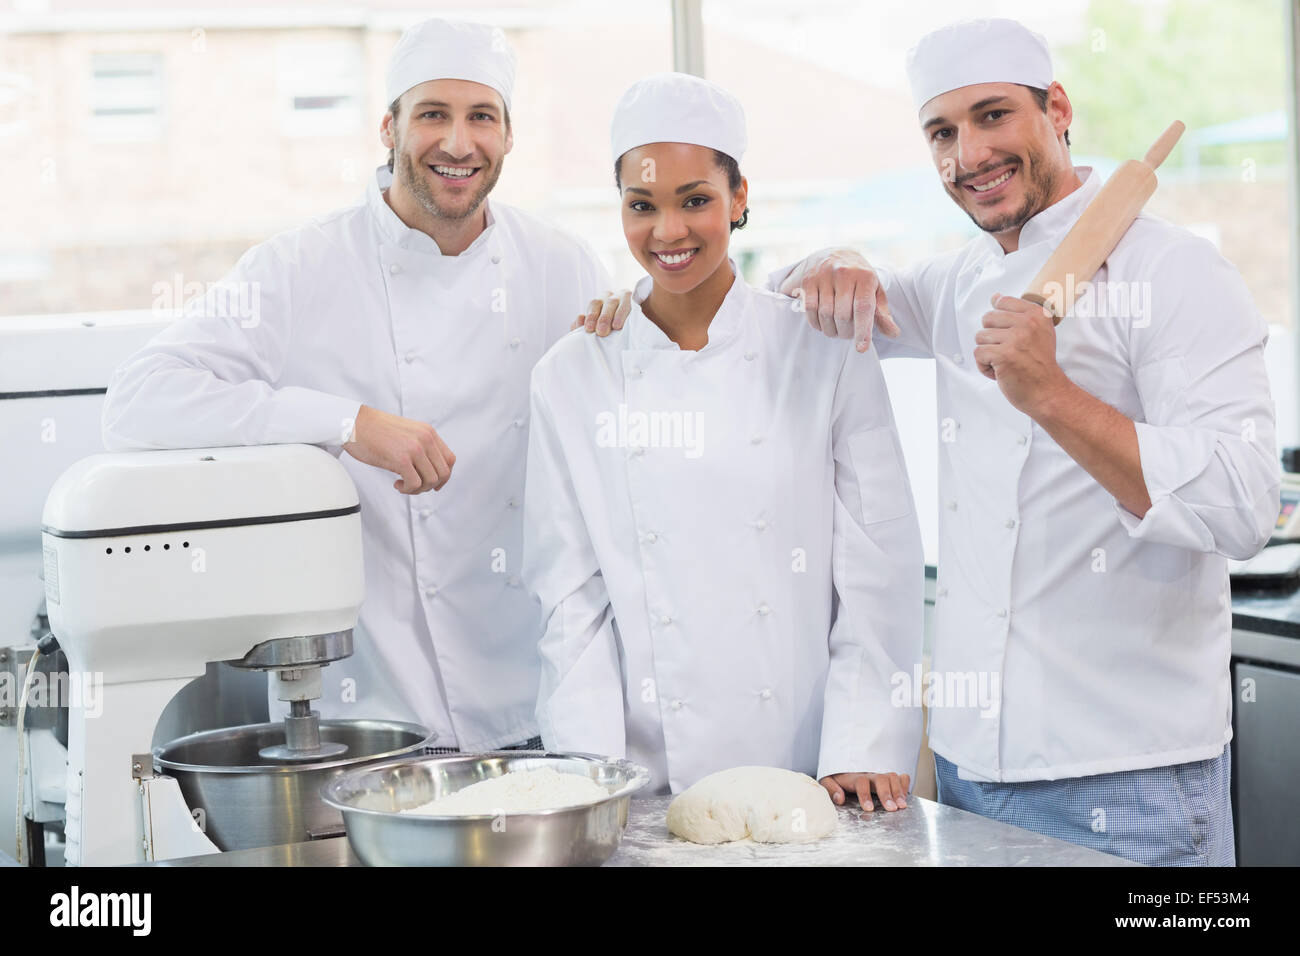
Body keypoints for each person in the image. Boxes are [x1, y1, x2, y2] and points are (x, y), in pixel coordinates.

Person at [775, 19, 1279, 865]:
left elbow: (1244, 503)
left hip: (1134, 777)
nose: (968, 154)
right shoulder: (952, 285)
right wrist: (834, 255)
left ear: (1058, 109)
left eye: (993, 116)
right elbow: (802, 304)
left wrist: (1052, 395)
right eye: (943, 132)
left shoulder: (1174, 272)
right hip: (973, 772)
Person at [100, 19, 613, 753]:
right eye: (433, 114)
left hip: (537, 706)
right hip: (372, 717)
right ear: (389, 127)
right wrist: (348, 423)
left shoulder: (561, 265)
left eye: (482, 118)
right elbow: (139, 400)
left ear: (508, 136)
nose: (459, 143)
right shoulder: (300, 268)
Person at [522, 73, 925, 807]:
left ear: (740, 199)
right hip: (642, 779)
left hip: (811, 775)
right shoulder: (572, 374)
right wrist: (588, 777)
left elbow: (877, 562)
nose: (668, 231)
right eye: (642, 205)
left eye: (695, 200)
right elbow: (569, 600)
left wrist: (861, 744)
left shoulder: (821, 347)